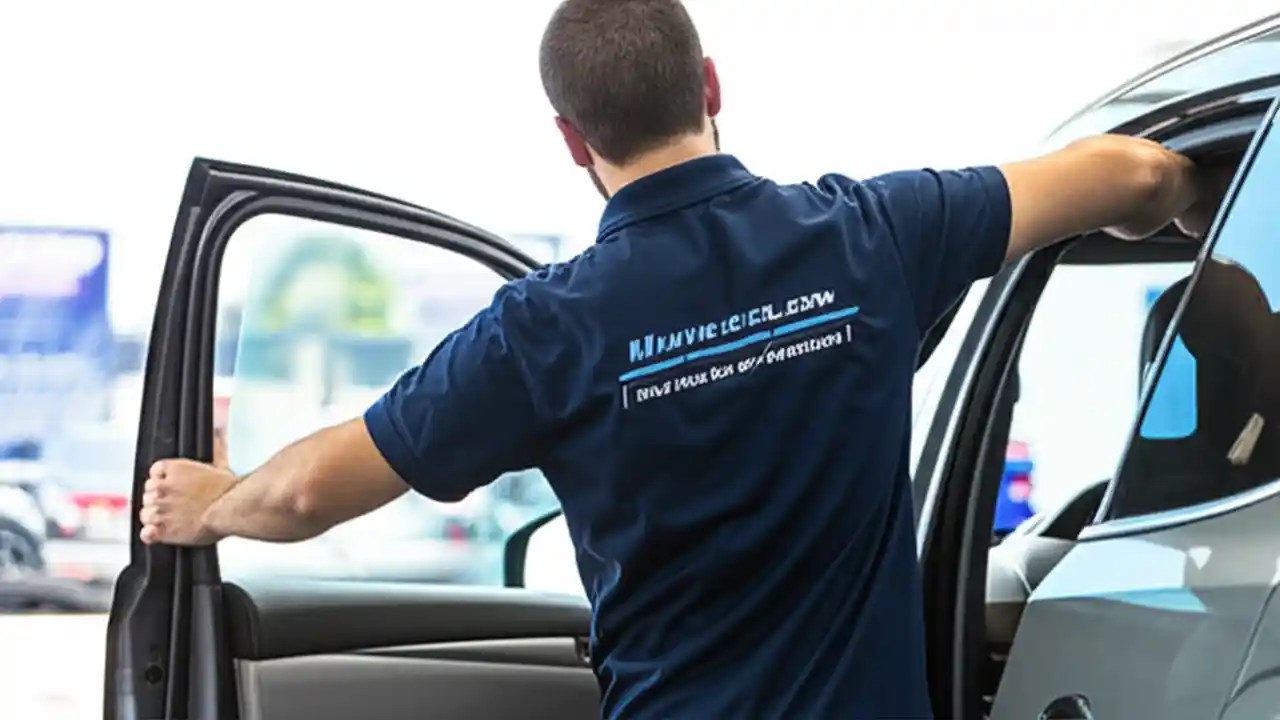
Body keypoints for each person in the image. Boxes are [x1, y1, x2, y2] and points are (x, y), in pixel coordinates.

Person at [139, 1, 1224, 717]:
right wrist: (1182, 209)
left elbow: (308, 494)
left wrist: (213, 504)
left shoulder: (542, 332)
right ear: (709, 83)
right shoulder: (871, 234)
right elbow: (1121, 175)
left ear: (571, 139)